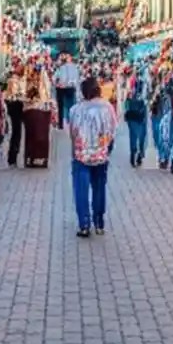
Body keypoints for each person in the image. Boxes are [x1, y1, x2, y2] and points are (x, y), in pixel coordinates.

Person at [69, 76, 117, 237]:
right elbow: (112, 131)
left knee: (81, 191)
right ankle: (99, 222)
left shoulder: (75, 110)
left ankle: (84, 224)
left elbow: (73, 134)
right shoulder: (108, 107)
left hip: (81, 156)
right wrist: (106, 148)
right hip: (101, 155)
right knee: (99, 189)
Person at [22, 62, 54, 168]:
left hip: (38, 109)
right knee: (35, 135)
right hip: (34, 110)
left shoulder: (39, 83)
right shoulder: (29, 82)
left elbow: (45, 94)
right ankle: (32, 157)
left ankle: (36, 157)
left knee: (38, 136)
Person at [124, 67, 149, 167]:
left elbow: (126, 100)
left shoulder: (129, 82)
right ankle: (139, 154)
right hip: (140, 112)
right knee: (142, 134)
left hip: (132, 112)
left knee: (134, 135)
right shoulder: (144, 83)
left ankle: (135, 153)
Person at [54, 53, 81, 129]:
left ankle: (64, 123)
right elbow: (55, 78)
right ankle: (66, 123)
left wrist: (60, 83)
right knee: (67, 106)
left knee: (67, 106)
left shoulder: (70, 68)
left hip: (66, 88)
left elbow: (55, 79)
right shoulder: (63, 67)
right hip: (66, 88)